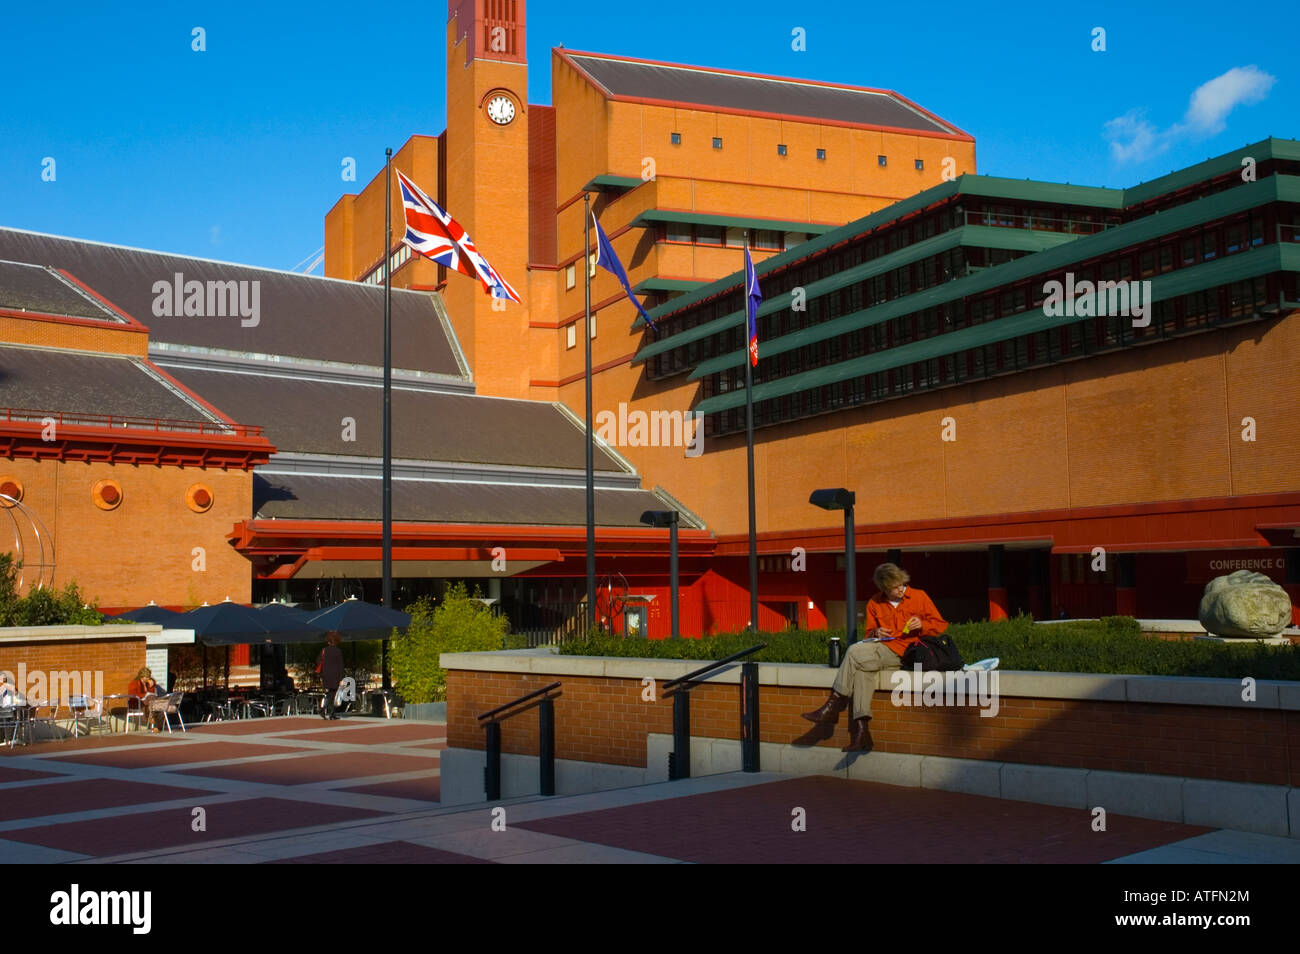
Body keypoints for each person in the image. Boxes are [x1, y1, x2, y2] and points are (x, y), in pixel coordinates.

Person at [803, 562, 948, 752]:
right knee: (863, 671)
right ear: (884, 588)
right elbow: (868, 633)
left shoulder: (919, 596)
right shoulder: (874, 603)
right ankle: (862, 733)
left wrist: (921, 624)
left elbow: (940, 624)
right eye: (894, 587)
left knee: (854, 651)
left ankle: (834, 704)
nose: (900, 590)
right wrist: (876, 633)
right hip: (881, 650)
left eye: (901, 584)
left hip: (906, 652)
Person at [127, 667, 167, 732]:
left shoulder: (148, 683)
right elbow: (132, 695)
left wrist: (152, 684)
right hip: (139, 702)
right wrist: (144, 696)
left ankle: (156, 726)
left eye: (148, 677)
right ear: (141, 676)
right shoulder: (134, 683)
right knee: (152, 701)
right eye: (146, 677)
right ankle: (153, 721)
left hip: (149, 703)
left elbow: (152, 692)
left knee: (159, 708)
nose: (148, 679)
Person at [318, 632, 344, 720]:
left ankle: (328, 711)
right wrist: (341, 679)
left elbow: (318, 661)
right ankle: (327, 711)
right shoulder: (338, 651)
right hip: (335, 676)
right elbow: (341, 666)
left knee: (330, 694)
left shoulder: (324, 650)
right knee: (333, 694)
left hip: (326, 675)